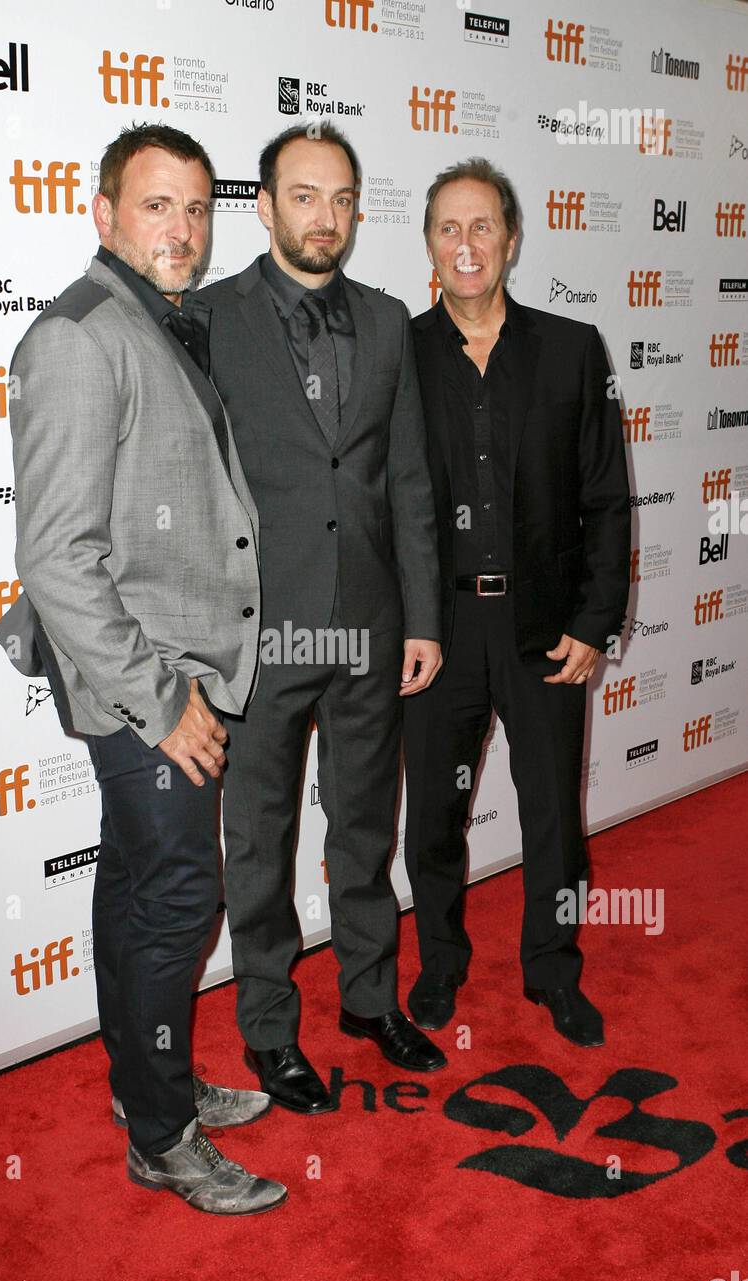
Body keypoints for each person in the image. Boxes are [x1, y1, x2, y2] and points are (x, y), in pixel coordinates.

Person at [0, 123, 286, 1215]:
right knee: (175, 898)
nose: (181, 228)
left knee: (133, 885)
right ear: (104, 212)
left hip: (165, 669)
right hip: (142, 679)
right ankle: (162, 1135)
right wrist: (165, 702)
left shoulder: (150, 321)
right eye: (157, 204)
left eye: (197, 207)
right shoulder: (79, 335)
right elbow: (56, 557)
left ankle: (142, 1085)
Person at [199, 122, 445, 1115]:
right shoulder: (207, 320)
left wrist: (421, 618)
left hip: (369, 621)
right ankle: (266, 1029)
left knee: (359, 826)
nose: (325, 217)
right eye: (303, 196)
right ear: (260, 206)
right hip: (258, 633)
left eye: (341, 198)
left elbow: (413, 482)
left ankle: (367, 998)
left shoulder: (389, 321)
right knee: (256, 839)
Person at [403, 157, 630, 1046]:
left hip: (545, 631)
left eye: (483, 227)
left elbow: (607, 498)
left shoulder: (573, 349)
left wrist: (594, 619)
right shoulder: (402, 355)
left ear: (511, 239)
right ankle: (440, 966)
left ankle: (554, 969)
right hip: (438, 631)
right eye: (449, 228)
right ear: (428, 244)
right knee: (434, 817)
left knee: (553, 817)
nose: (467, 245)